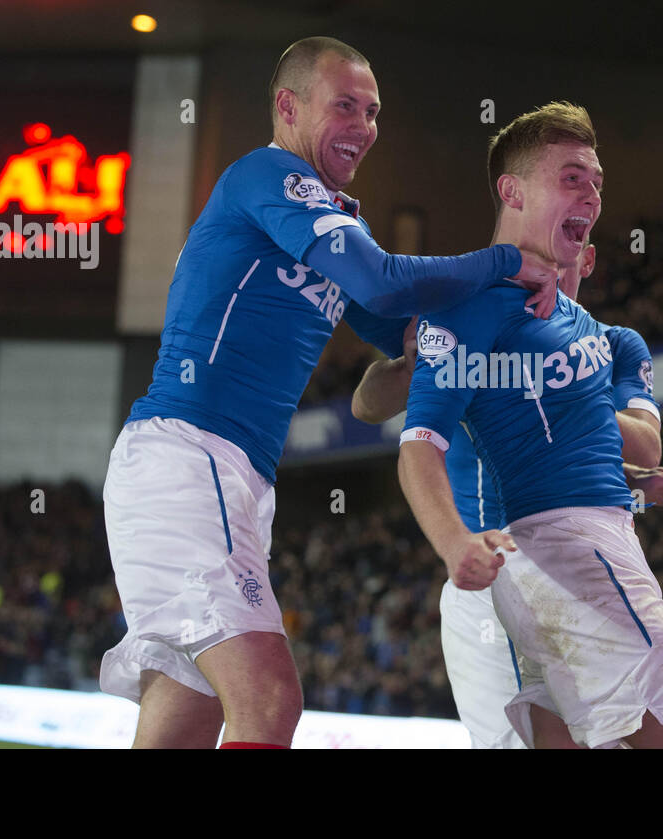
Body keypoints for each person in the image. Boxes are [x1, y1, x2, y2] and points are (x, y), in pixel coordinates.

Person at [99, 36, 559, 749]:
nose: (364, 126)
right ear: (288, 105)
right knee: (271, 698)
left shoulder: (337, 222)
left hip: (226, 477)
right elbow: (379, 279)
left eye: (373, 112)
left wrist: (446, 354)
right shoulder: (268, 175)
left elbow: (388, 369)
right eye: (345, 105)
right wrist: (506, 259)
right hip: (191, 457)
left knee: (187, 716)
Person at [397, 101, 663, 748]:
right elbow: (416, 442)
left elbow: (591, 433)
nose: (592, 195)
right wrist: (451, 542)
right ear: (513, 190)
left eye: (598, 181)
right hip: (549, 553)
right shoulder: (469, 306)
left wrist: (641, 477)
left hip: (583, 547)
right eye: (572, 177)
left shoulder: (592, 332)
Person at [353, 243, 663, 747]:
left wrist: (562, 381)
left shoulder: (612, 345)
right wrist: (414, 364)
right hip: (493, 573)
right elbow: (366, 406)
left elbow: (639, 447)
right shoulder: (473, 322)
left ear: (587, 262)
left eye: (565, 256)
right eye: (537, 260)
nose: (546, 272)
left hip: (574, 564)